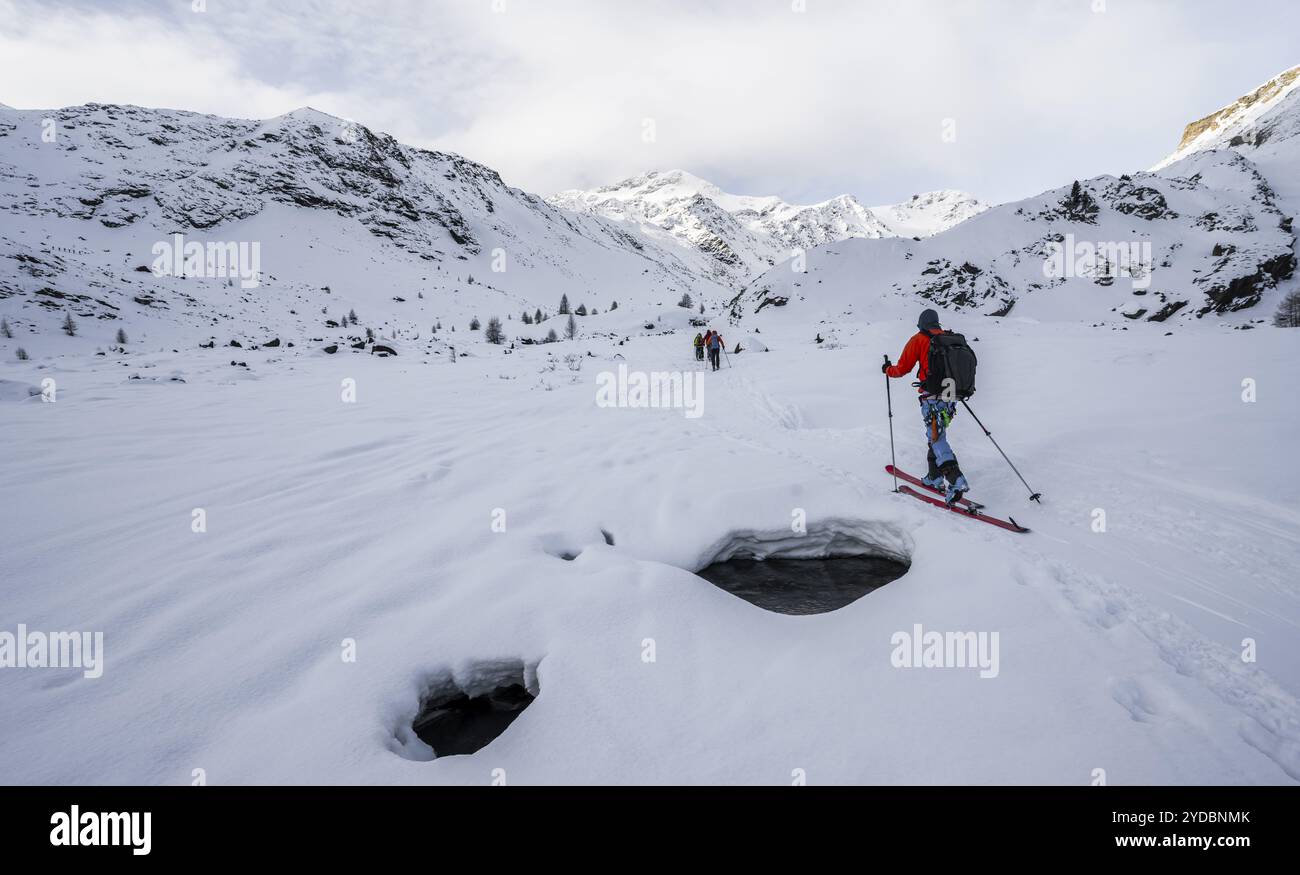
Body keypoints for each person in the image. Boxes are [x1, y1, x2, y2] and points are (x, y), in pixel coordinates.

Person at [883, 308, 969, 505]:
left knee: (936, 438)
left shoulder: (920, 339)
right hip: (951, 396)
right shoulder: (948, 338)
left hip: (933, 397)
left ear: (921, 323)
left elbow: (902, 369)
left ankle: (955, 479)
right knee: (936, 435)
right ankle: (934, 477)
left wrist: (887, 369)